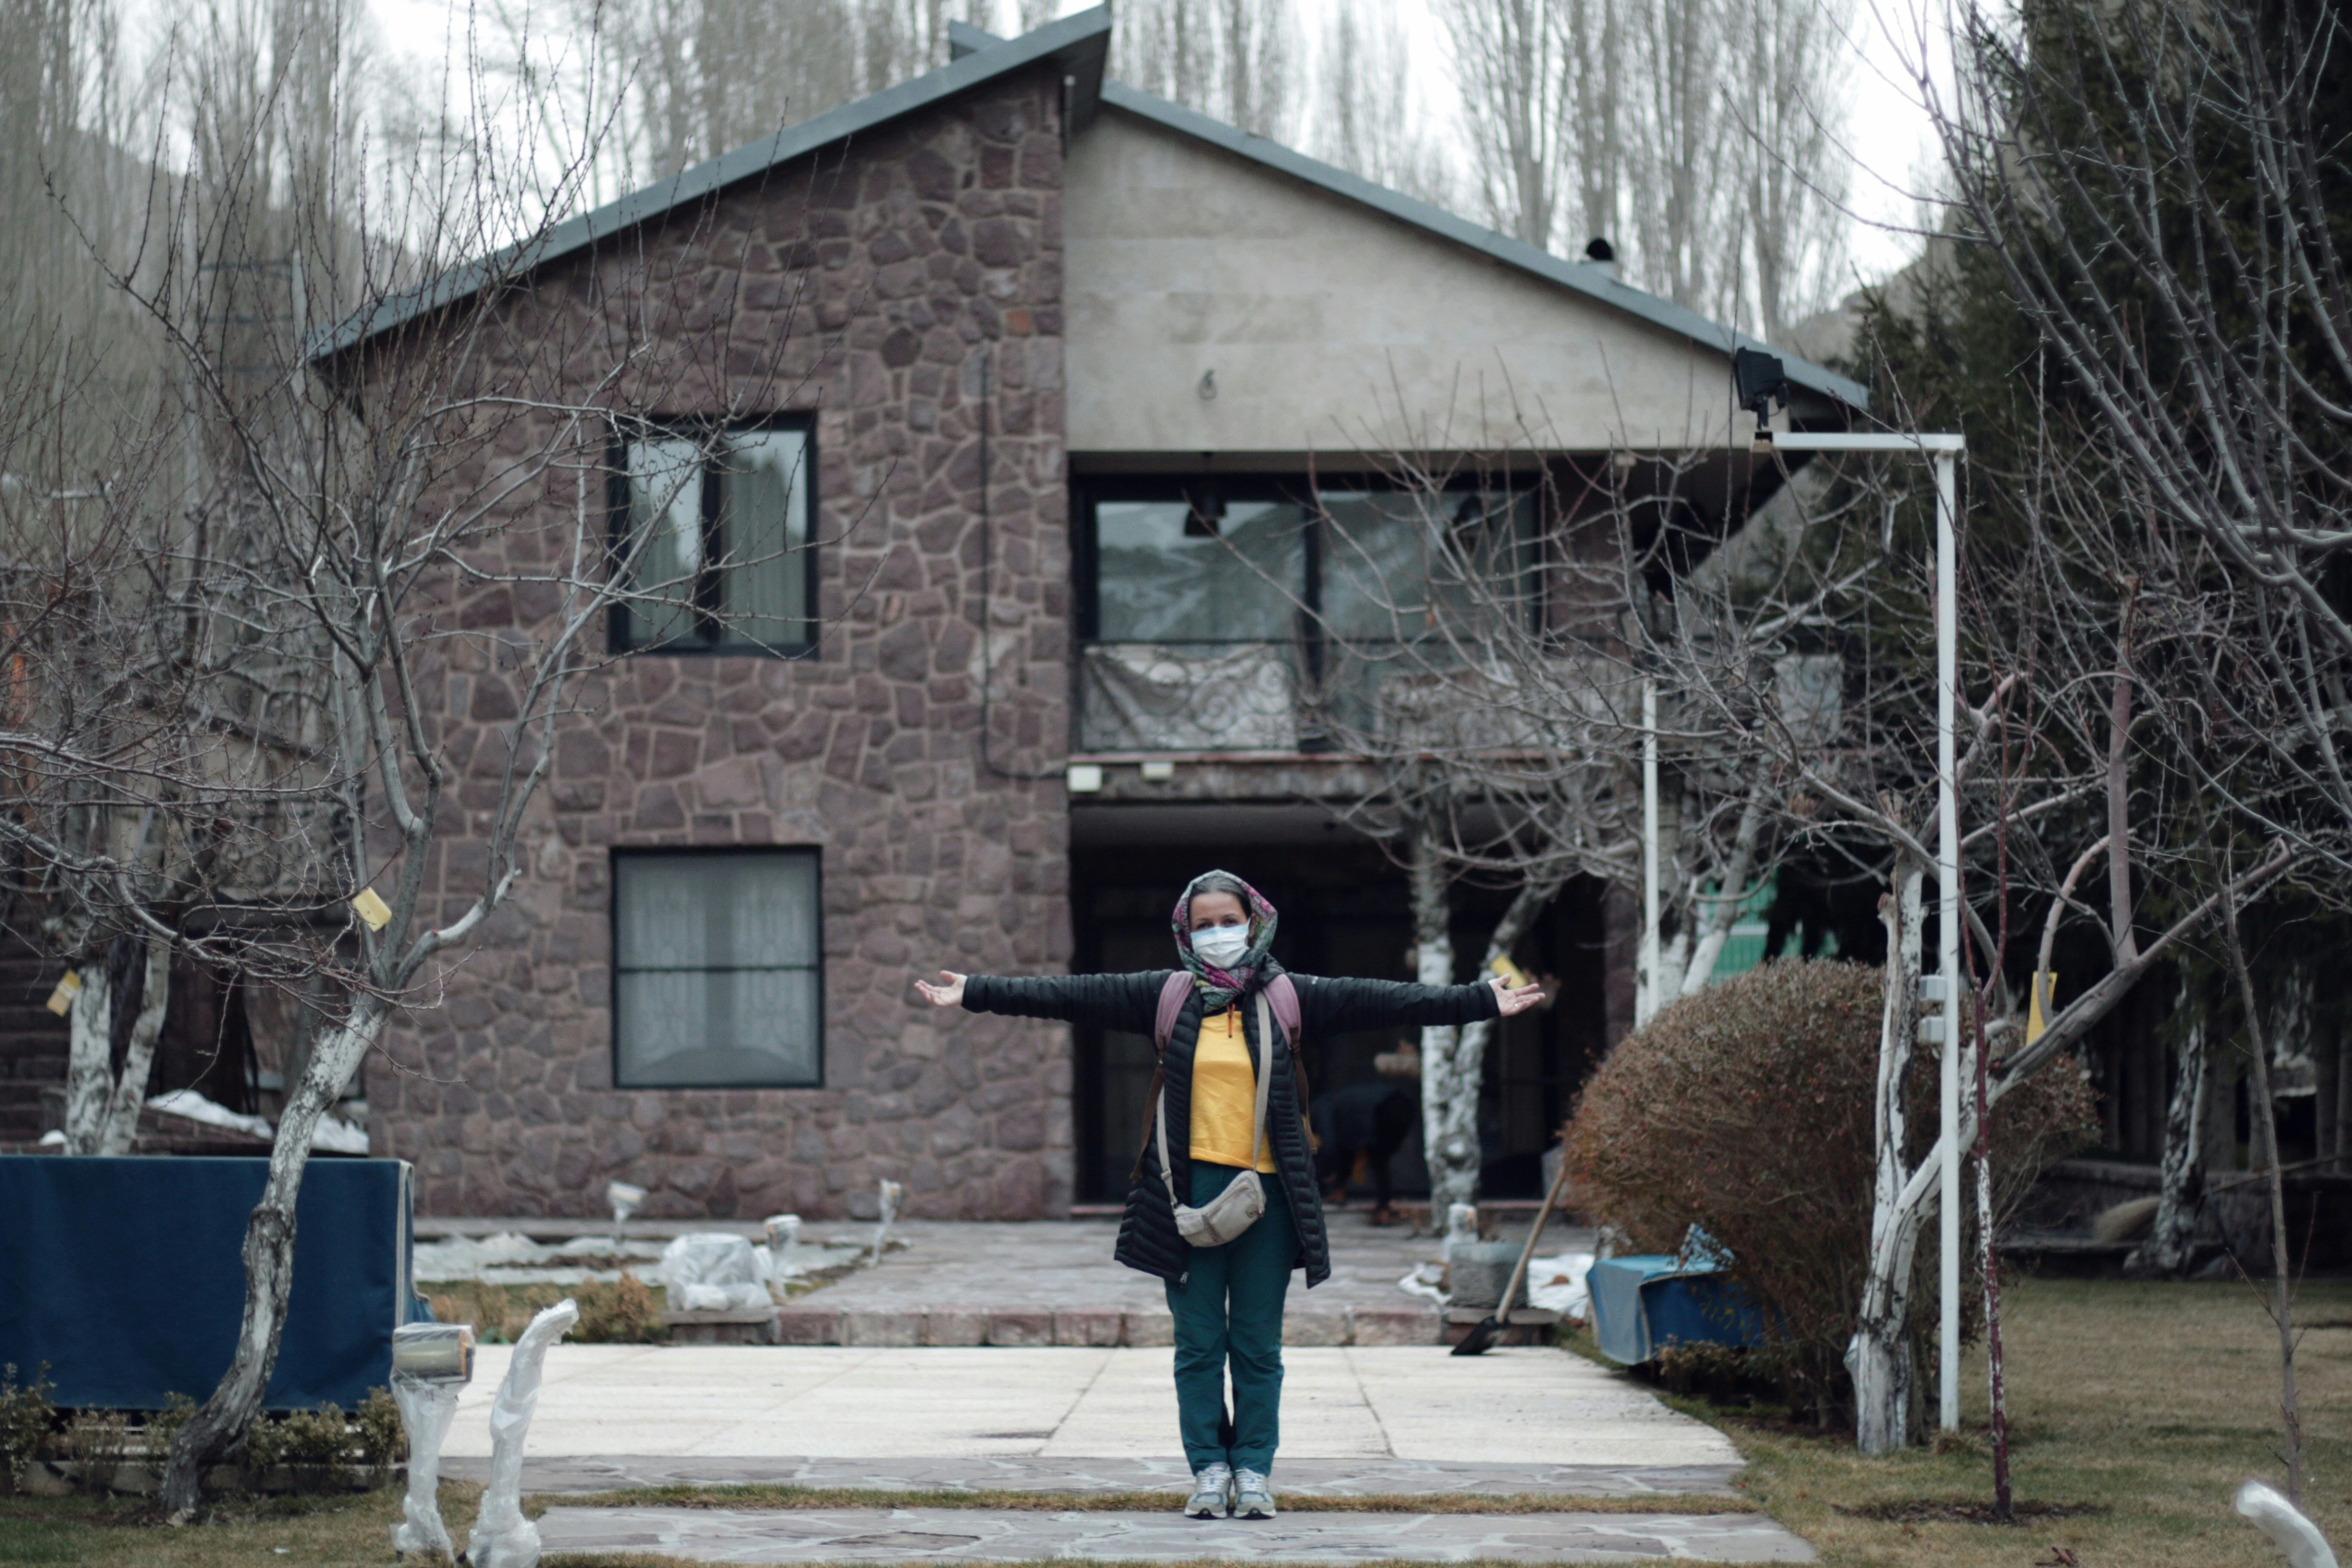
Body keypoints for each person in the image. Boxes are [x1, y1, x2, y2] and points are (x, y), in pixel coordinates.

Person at [915, 869, 1541, 1522]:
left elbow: (1391, 1002)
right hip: (1184, 1195)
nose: (1218, 934)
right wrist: (975, 993)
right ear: (1187, 932)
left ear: (1256, 921)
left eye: (1229, 921)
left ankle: (1254, 1470)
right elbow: (1068, 995)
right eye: (1205, 923)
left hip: (1267, 1197)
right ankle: (1209, 1470)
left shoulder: (1290, 996)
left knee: (1257, 1345)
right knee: (1197, 1344)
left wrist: (1480, 1001)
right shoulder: (1165, 995)